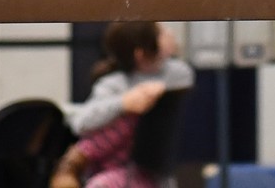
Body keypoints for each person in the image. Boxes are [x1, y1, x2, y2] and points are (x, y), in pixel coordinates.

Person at [53, 22, 195, 188]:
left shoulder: (177, 73)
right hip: (111, 166)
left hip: (151, 168)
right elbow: (81, 124)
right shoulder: (113, 84)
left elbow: (182, 83)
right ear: (140, 54)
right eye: (161, 33)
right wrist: (124, 103)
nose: (170, 33)